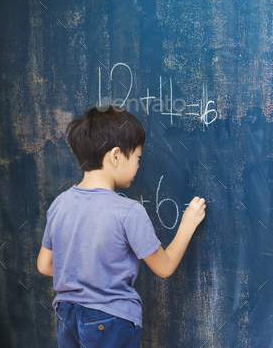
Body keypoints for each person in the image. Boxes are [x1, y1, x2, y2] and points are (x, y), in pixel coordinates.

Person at [37, 106, 206, 348]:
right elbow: (164, 267)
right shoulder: (127, 211)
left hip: (67, 316)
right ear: (116, 155)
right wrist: (188, 224)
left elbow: (44, 265)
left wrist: (83, 272)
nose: (138, 166)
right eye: (137, 158)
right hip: (110, 319)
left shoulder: (59, 204)